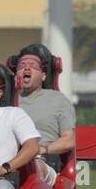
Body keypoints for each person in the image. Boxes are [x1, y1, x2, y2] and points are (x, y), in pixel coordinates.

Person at [14, 44, 76, 179]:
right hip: (9, 159)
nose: (27, 67)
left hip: (43, 159)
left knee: (33, 167)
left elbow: (69, 140)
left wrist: (42, 150)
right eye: (22, 64)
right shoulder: (4, 100)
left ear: (43, 76)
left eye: (33, 65)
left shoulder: (57, 100)